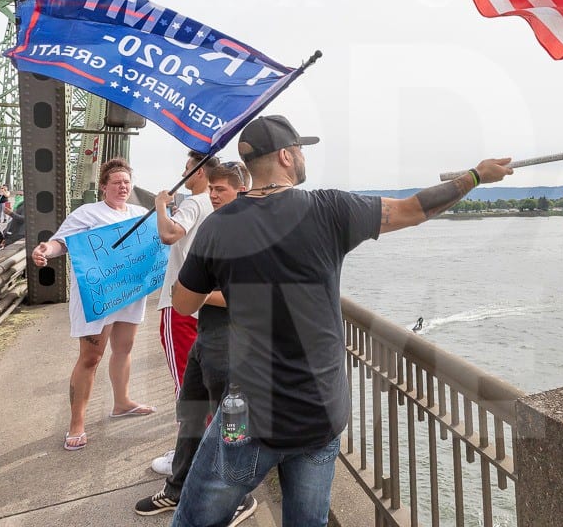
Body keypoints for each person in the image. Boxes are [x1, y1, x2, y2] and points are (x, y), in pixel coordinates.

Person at [170, 114, 512, 527]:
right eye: (298, 150)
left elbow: (184, 305)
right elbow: (413, 210)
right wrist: (475, 175)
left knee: (194, 519)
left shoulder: (217, 227)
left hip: (248, 419)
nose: (300, 156)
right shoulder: (328, 209)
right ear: (285, 156)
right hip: (321, 412)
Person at [137, 162, 258, 522]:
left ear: (243, 192)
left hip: (235, 343)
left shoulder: (252, 233)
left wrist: (197, 294)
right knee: (190, 415)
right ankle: (178, 488)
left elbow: (250, 296)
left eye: (222, 189)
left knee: (233, 424)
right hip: (207, 339)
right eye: (213, 188)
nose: (213, 194)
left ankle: (239, 496)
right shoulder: (216, 228)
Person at [31, 157, 156, 451]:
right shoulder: (88, 213)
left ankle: (122, 403)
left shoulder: (140, 212)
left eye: (126, 182)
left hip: (130, 291)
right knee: (91, 357)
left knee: (124, 348)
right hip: (98, 293)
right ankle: (76, 423)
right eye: (116, 183)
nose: (122, 187)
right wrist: (45, 250)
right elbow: (61, 242)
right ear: (103, 187)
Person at [148, 151, 221, 473]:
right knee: (203, 381)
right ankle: (204, 447)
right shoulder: (218, 205)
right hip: (207, 304)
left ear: (201, 172)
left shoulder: (195, 202)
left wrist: (161, 207)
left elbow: (169, 235)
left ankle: (188, 456)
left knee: (185, 383)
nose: (183, 173)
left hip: (181, 301)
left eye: (188, 168)